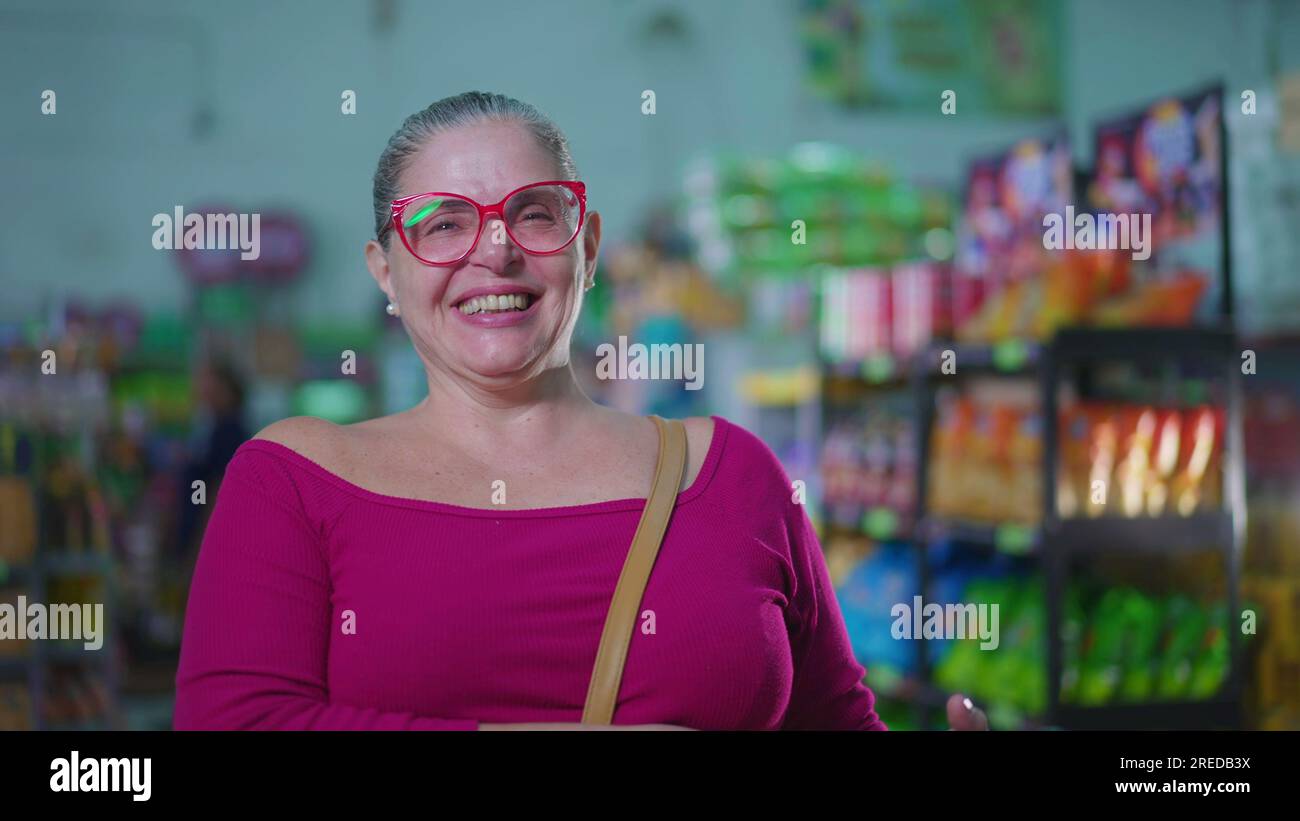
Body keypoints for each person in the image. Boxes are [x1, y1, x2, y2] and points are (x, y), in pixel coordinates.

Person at [173, 91, 987, 731]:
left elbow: (832, 724)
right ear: (385, 272)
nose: (495, 249)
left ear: (586, 248)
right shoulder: (293, 481)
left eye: (533, 212)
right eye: (443, 224)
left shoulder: (731, 474)